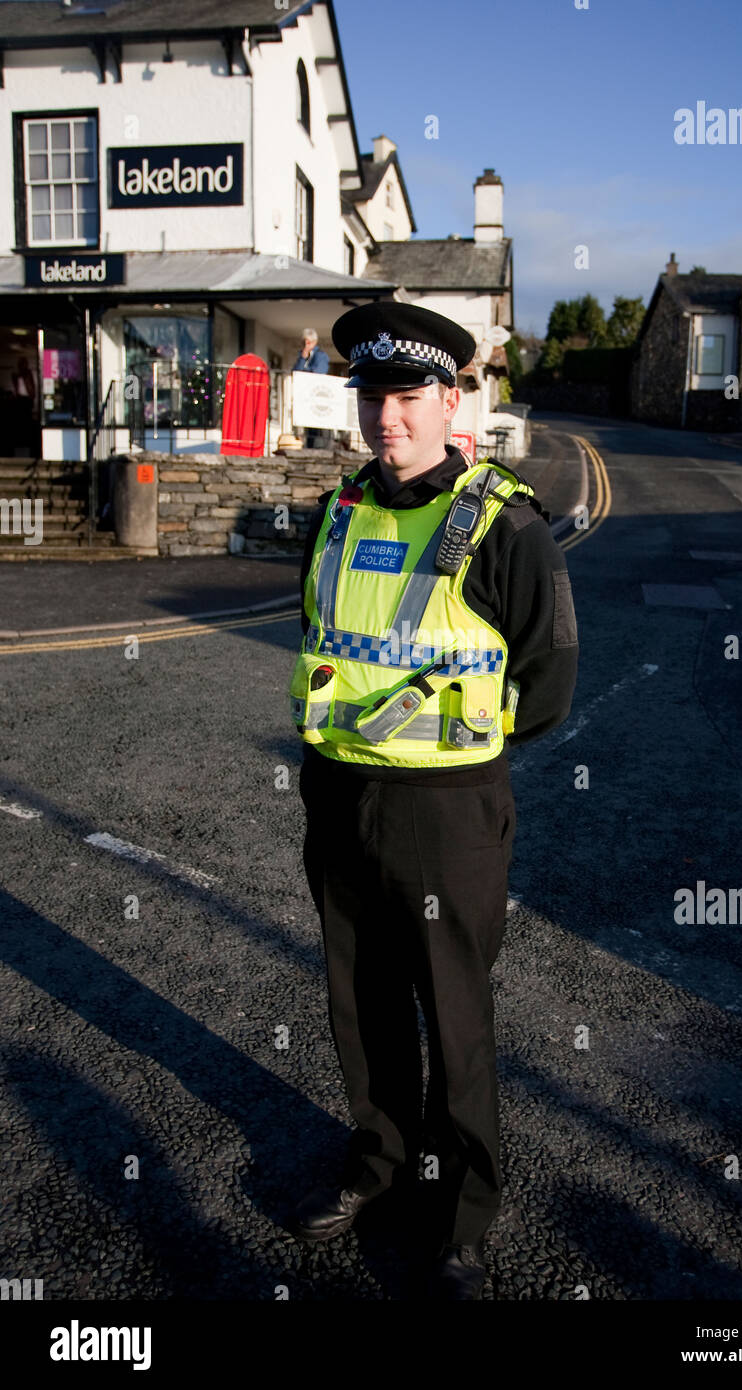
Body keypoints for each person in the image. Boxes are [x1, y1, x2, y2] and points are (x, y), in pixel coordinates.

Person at [288, 302, 578, 1300]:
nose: (387, 418)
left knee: (452, 1017)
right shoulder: (335, 512)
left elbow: (546, 682)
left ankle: (464, 1221)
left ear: (452, 402)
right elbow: (320, 633)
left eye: (408, 397)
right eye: (373, 397)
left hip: (447, 812)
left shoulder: (505, 525)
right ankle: (376, 1166)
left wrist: (456, 755)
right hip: (338, 797)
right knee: (358, 1005)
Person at [292, 327, 331, 449]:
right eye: (303, 342)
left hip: (317, 395)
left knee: (316, 426)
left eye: (308, 342)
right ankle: (308, 446)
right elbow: (295, 371)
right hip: (305, 395)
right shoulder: (302, 356)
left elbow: (318, 372)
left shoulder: (321, 356)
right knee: (307, 426)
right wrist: (303, 357)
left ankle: (317, 448)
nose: (305, 345)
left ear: (314, 342)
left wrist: (304, 370)